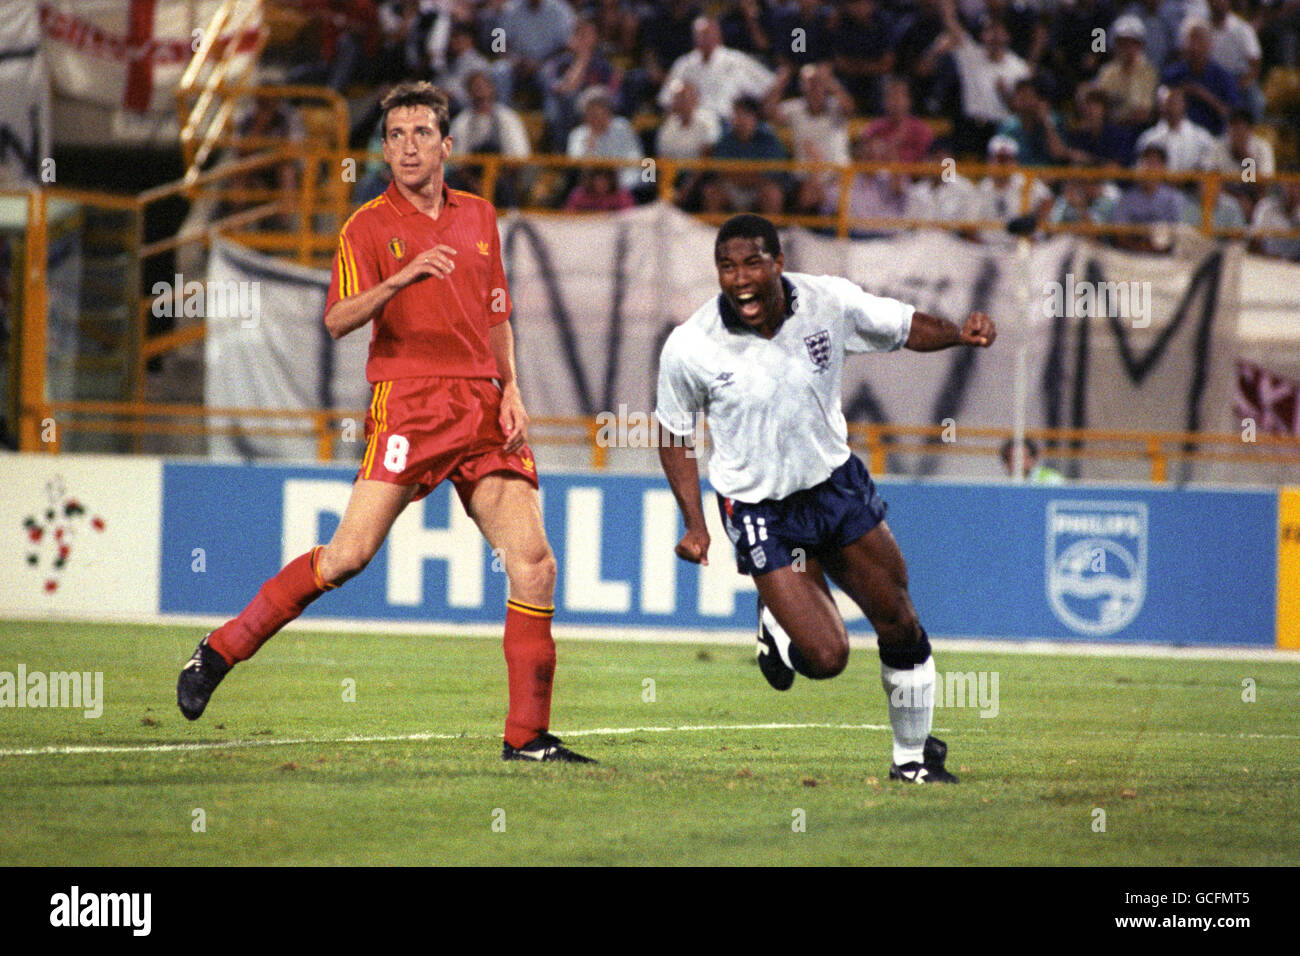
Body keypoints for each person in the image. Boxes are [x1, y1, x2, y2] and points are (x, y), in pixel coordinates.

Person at [177, 82, 594, 765]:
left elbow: (496, 313)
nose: (406, 146)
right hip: (410, 402)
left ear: (446, 145)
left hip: (483, 406)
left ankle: (527, 739)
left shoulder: (480, 216)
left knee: (535, 565)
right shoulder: (366, 226)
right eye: (394, 135)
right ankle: (219, 650)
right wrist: (401, 279)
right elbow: (338, 319)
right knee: (348, 557)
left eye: (420, 133)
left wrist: (512, 387)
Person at [654, 213, 997, 784]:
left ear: (778, 263)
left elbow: (905, 325)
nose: (739, 278)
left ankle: (910, 761)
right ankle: (778, 628)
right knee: (826, 658)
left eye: (751, 263)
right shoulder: (690, 345)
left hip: (834, 487)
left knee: (900, 621)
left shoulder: (827, 302)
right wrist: (696, 524)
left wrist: (960, 332)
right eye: (726, 266)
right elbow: (672, 433)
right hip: (761, 509)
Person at [999, 437, 1065, 483]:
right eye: (1011, 458)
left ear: (1033, 458)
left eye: (1022, 457)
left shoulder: (1050, 479)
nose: (1017, 463)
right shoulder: (1003, 483)